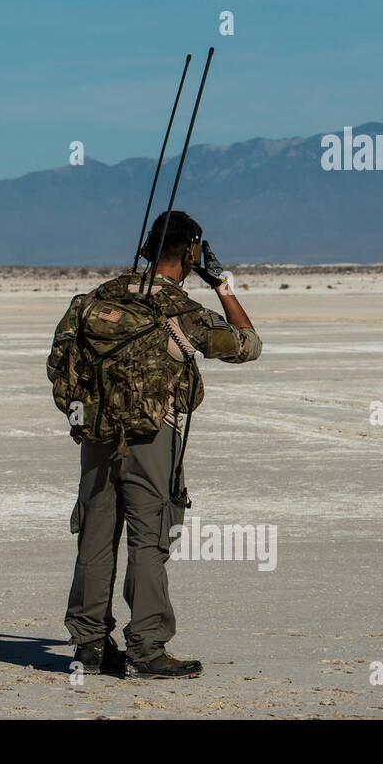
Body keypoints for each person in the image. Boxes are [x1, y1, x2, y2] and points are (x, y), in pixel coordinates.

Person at [59, 211, 261, 678]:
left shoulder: (97, 299)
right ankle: (147, 648)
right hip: (153, 436)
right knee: (149, 538)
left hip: (96, 435)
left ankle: (89, 645)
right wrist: (222, 285)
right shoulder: (181, 312)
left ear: (148, 246)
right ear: (192, 255)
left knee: (94, 535)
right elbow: (248, 344)